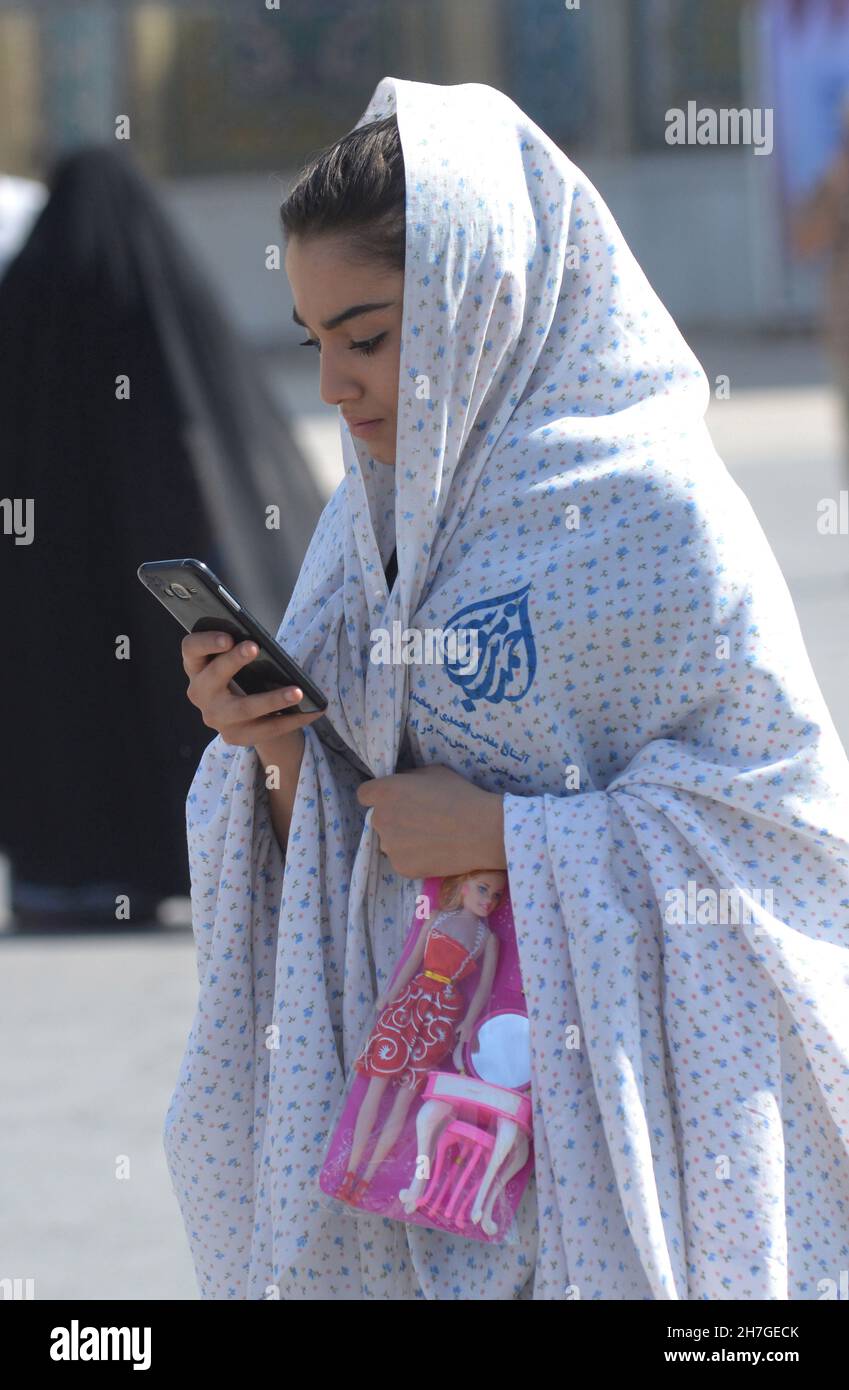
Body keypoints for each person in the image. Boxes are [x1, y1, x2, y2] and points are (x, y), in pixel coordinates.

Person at [167, 77, 849, 1300]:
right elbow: (338, 832)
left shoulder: (655, 514)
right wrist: (270, 754)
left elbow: (786, 849)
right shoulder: (362, 530)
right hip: (417, 1138)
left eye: (368, 337)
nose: (332, 387)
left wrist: (506, 835)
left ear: (476, 302)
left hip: (614, 1127)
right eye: (310, 340)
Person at [0, 144, 324, 920]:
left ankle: (67, 872)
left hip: (38, 568)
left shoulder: (28, 294)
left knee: (58, 696)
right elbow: (189, 429)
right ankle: (166, 859)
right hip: (142, 553)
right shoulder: (149, 288)